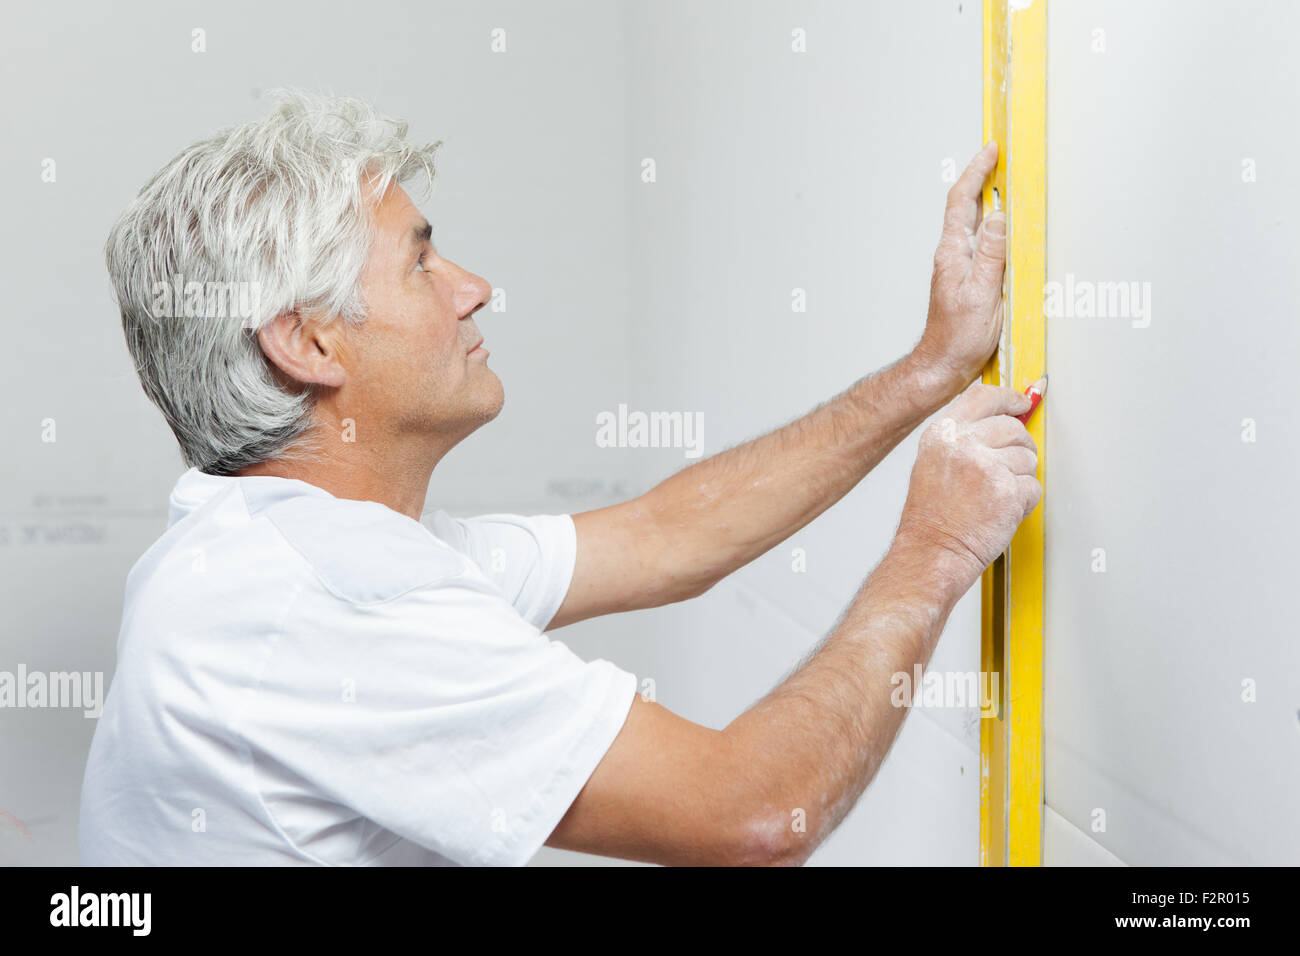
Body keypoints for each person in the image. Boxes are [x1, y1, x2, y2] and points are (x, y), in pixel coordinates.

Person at [80, 90, 1039, 866]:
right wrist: (938, 547)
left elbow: (666, 538)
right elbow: (750, 816)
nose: (474, 287)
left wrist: (926, 371)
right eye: (420, 264)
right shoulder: (329, 599)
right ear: (309, 341)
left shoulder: (280, 537)